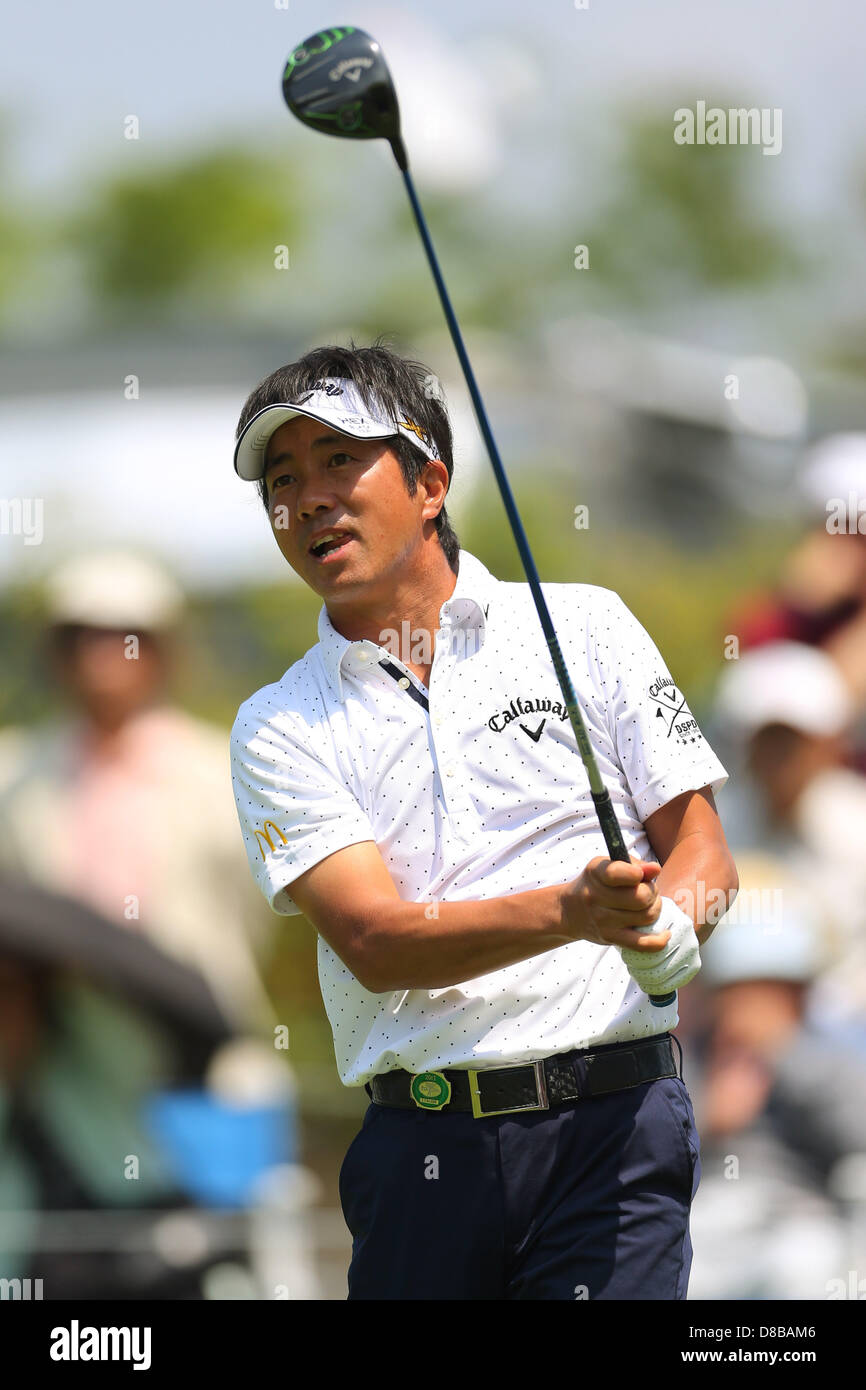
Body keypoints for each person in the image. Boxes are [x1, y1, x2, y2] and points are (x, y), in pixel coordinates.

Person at [229, 341, 738, 1301]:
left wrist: (673, 920)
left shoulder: (586, 625)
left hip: (613, 1131)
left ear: (430, 482)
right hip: (422, 1149)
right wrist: (577, 913)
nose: (309, 499)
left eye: (341, 460)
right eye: (283, 480)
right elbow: (376, 941)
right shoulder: (276, 723)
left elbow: (702, 848)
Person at [0, 549, 276, 1037]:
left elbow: (252, 915)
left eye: (124, 637)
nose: (103, 655)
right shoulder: (16, 774)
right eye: (82, 637)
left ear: (162, 651)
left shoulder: (227, 770)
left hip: (214, 1061)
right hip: (69, 1075)